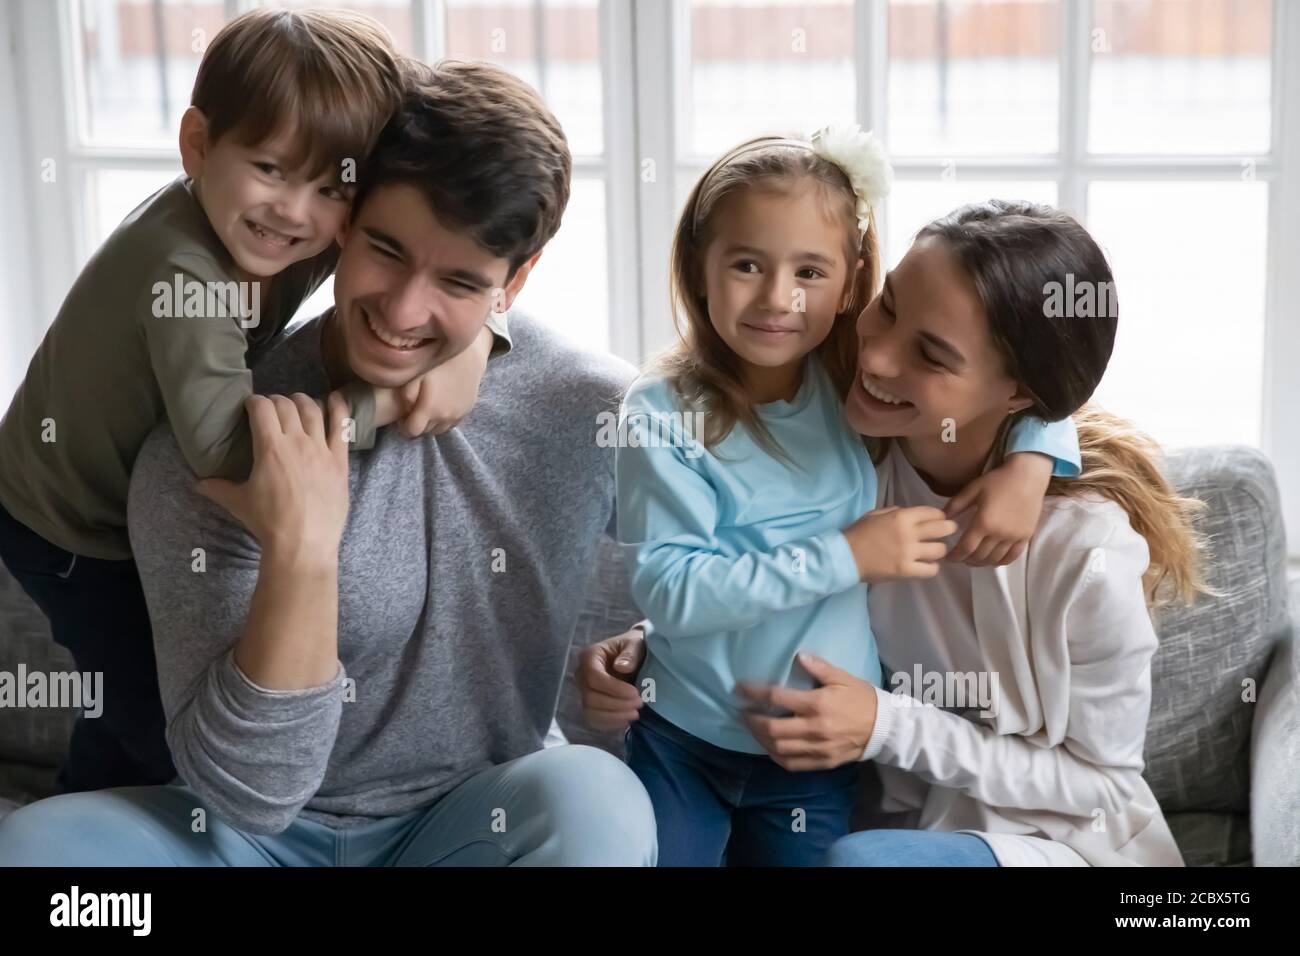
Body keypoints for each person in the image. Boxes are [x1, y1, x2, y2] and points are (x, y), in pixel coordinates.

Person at [0, 59, 656, 868]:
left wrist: (647, 644)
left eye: (459, 281)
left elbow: (749, 529)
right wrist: (301, 550)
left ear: (514, 282)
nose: (404, 311)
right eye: (386, 249)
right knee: (40, 847)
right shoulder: (211, 447)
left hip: (471, 822)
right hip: (247, 839)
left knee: (595, 796)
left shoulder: (588, 408)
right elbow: (250, 794)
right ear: (344, 222)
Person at [0, 10, 501, 794]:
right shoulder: (186, 276)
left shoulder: (285, 230)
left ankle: (92, 790)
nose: (294, 211)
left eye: (332, 185)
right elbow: (234, 457)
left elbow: (460, 218)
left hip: (130, 498)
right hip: (68, 526)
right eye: (269, 168)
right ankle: (96, 817)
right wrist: (393, 395)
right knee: (163, 723)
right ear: (198, 146)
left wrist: (479, 333)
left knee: (126, 699)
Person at [612, 131, 1079, 866]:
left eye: (809, 270)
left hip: (816, 756)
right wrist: (846, 556)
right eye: (744, 265)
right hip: (682, 741)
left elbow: (1015, 367)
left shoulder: (859, 382)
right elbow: (672, 591)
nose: (776, 298)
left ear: (853, 278)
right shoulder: (661, 411)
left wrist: (1033, 458)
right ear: (698, 268)